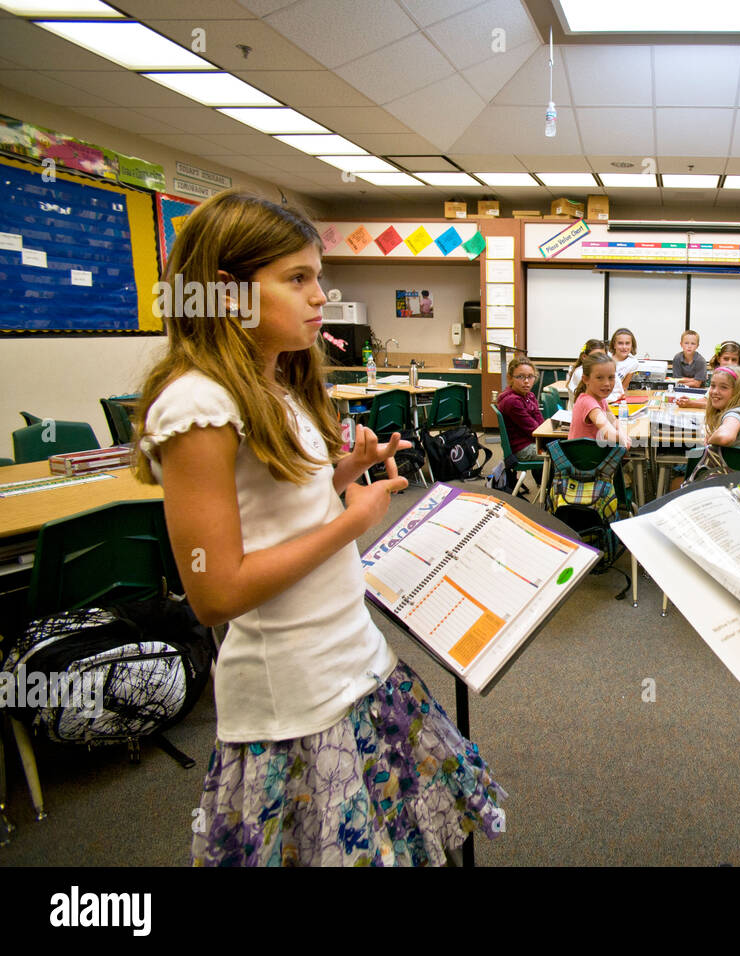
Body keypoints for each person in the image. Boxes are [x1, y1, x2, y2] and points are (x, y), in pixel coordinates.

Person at [134, 189, 504, 867]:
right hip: (295, 698)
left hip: (353, 664)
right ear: (228, 294)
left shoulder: (269, 384)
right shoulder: (197, 401)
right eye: (297, 279)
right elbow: (215, 592)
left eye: (318, 277)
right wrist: (352, 523)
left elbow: (274, 514)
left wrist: (340, 477)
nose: (319, 297)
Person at [569, 350, 628, 447]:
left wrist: (622, 432)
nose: (607, 383)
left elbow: (614, 421)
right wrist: (623, 437)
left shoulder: (600, 399)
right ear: (586, 379)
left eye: (611, 377)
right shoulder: (588, 403)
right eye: (599, 378)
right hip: (585, 459)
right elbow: (609, 434)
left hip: (594, 456)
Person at [497, 356, 543, 467]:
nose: (526, 381)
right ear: (510, 378)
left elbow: (540, 423)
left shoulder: (528, 395)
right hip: (522, 449)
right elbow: (535, 430)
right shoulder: (512, 401)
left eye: (530, 377)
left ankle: (544, 481)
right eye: (520, 377)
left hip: (530, 442)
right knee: (562, 453)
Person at [608, 327, 639, 403]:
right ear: (614, 345)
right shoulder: (606, 357)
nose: (624, 347)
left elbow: (623, 387)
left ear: (632, 345)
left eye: (627, 343)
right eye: (620, 343)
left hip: (614, 398)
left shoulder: (633, 363)